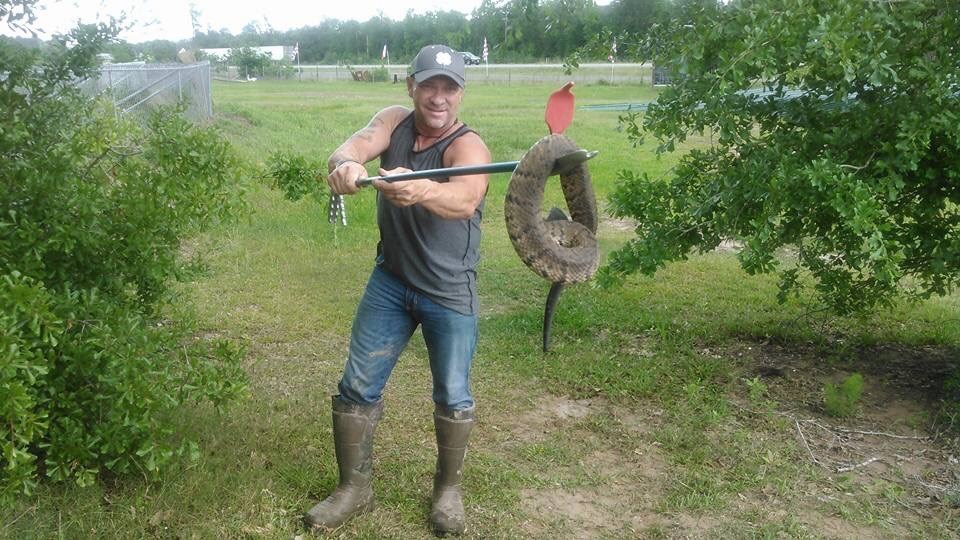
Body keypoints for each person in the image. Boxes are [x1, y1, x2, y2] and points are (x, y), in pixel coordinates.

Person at [303, 45, 491, 536]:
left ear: (460, 94)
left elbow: (466, 199)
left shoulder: (468, 146)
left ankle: (447, 489)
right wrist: (345, 166)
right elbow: (353, 146)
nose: (438, 97)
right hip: (391, 281)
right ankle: (354, 488)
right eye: (429, 85)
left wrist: (422, 188)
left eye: (449, 88)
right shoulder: (394, 120)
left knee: (453, 394)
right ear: (411, 86)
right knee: (356, 387)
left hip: (450, 291)